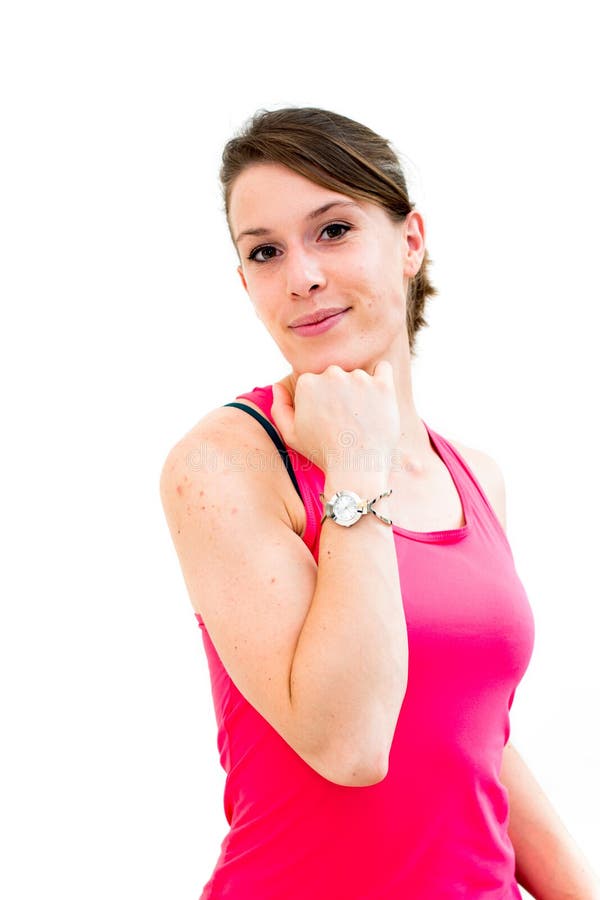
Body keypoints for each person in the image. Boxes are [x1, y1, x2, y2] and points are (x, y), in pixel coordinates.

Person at [159, 107, 599, 899]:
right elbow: (350, 744)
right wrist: (357, 465)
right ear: (246, 284)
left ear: (410, 241)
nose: (301, 276)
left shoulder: (474, 477)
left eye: (333, 230)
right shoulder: (225, 464)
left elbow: (474, 741)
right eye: (265, 251)